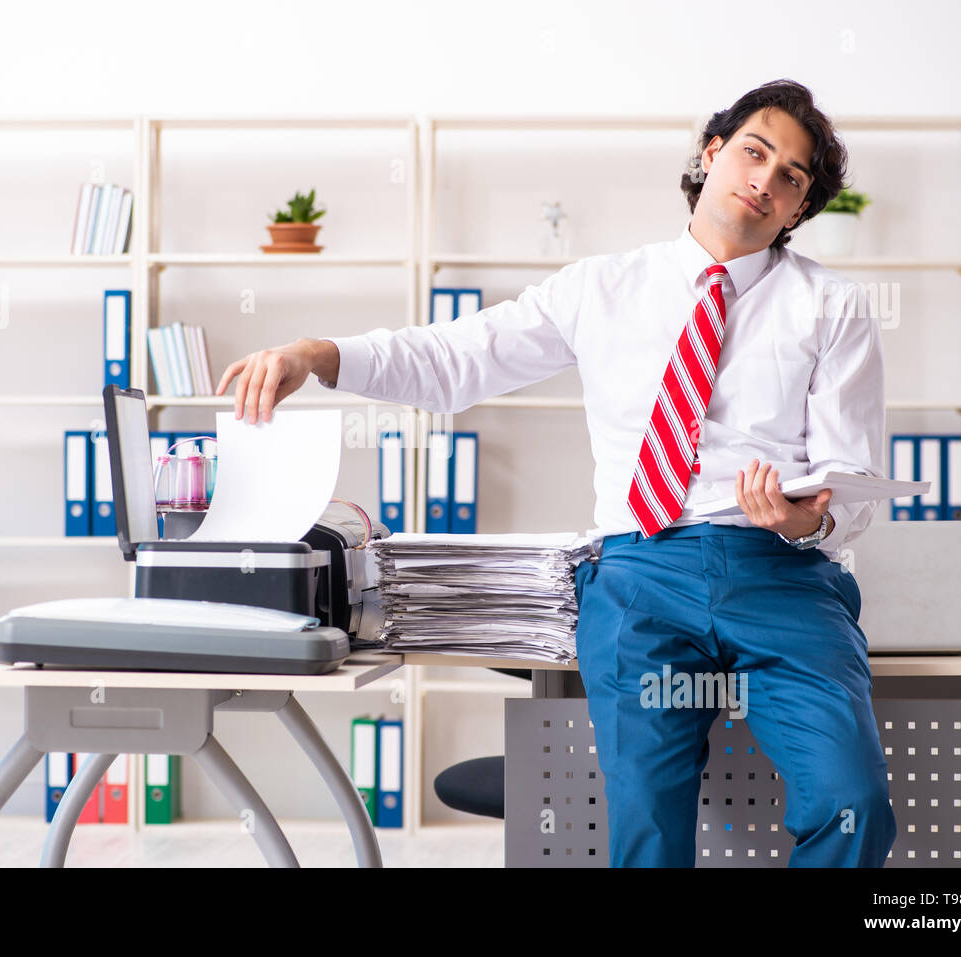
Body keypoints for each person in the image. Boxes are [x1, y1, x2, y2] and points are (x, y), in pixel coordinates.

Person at [215, 78, 895, 867]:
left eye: (792, 178)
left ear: (798, 210)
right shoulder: (600, 288)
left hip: (780, 573)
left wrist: (805, 517)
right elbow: (457, 358)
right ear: (712, 154)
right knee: (647, 823)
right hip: (641, 570)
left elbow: (850, 475)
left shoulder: (831, 304)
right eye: (754, 151)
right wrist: (317, 355)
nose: (766, 179)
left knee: (853, 804)